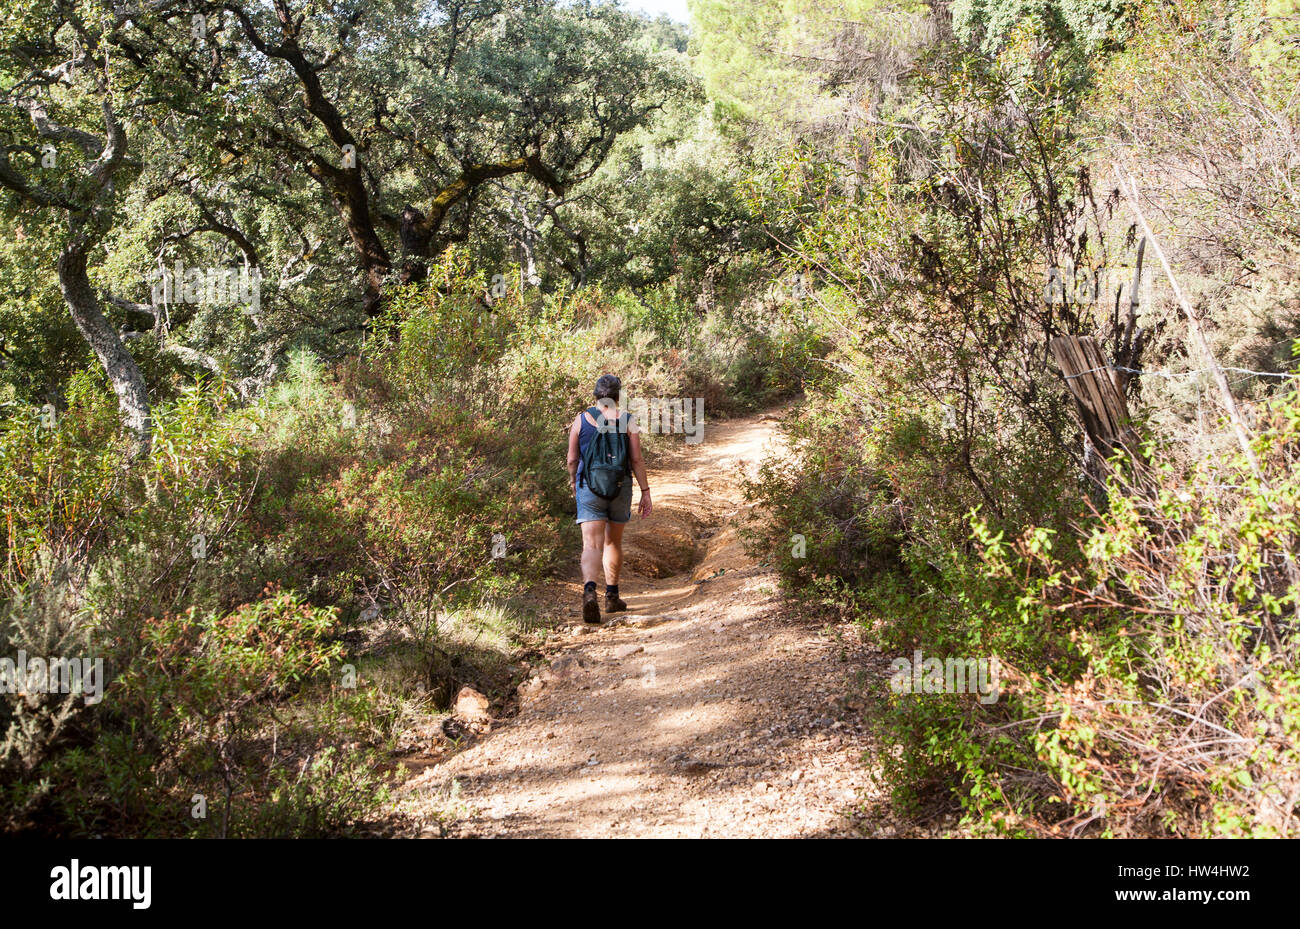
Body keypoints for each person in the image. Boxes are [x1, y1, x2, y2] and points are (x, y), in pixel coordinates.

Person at [567, 374, 652, 624]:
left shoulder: (581, 420)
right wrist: (645, 491)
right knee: (612, 543)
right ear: (618, 396)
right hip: (619, 486)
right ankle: (612, 597)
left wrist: (574, 482)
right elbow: (636, 460)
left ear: (595, 395)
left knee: (591, 545)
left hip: (589, 487)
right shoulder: (628, 421)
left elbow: (572, 459)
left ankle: (590, 591)